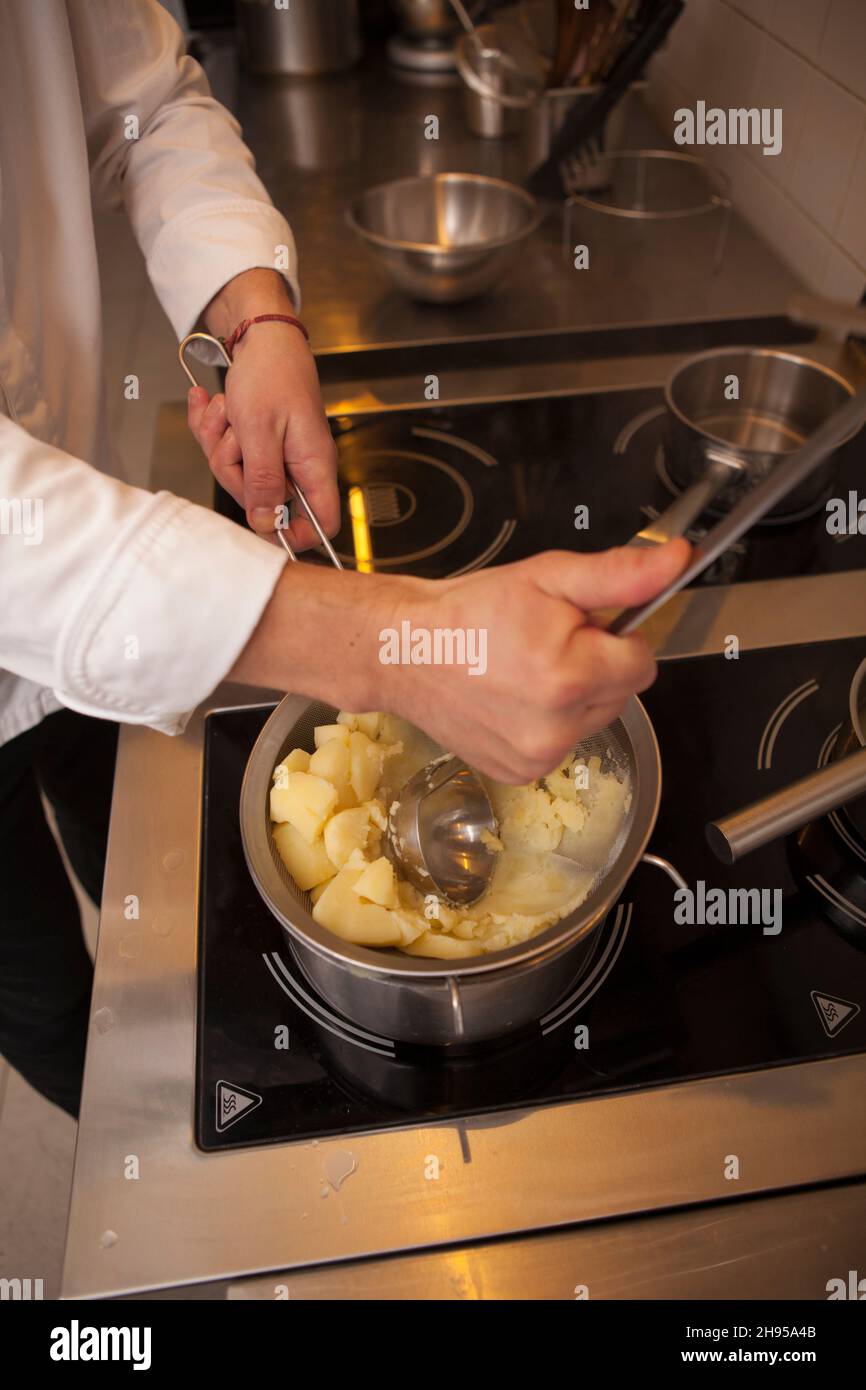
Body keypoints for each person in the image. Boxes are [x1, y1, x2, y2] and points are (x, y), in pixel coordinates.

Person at [0, 1, 689, 1116]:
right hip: (56, 564)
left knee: (124, 856)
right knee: (32, 984)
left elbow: (147, 101)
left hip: (97, 552)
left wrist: (257, 319)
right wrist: (388, 646)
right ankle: (126, 1150)